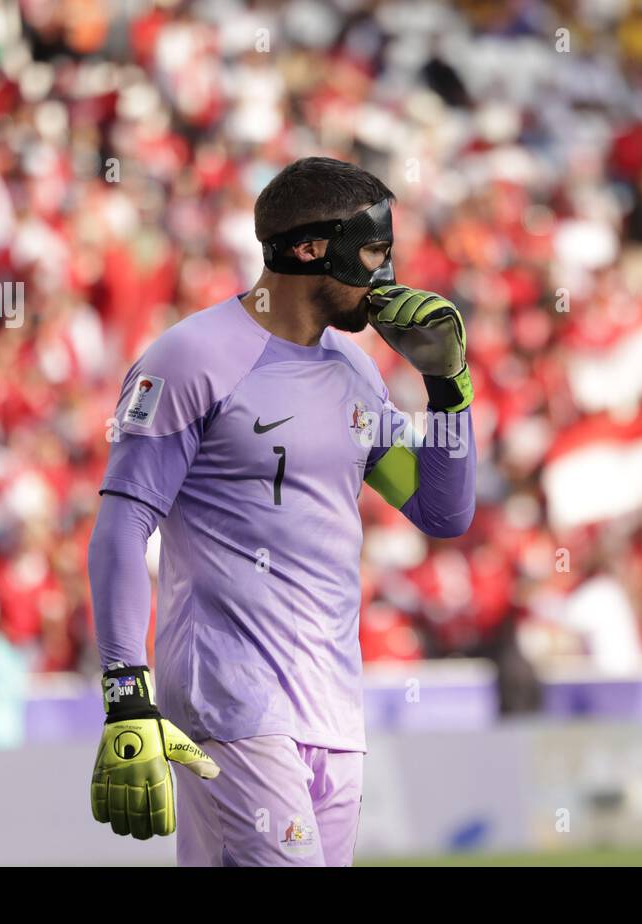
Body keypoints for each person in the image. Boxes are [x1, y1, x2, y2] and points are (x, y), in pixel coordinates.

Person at [85, 157, 477, 866]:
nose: (387, 274)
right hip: (231, 702)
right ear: (307, 250)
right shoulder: (188, 360)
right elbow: (122, 522)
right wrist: (123, 693)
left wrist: (448, 390)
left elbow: (439, 509)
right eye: (372, 253)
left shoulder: (355, 371)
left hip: (332, 708)